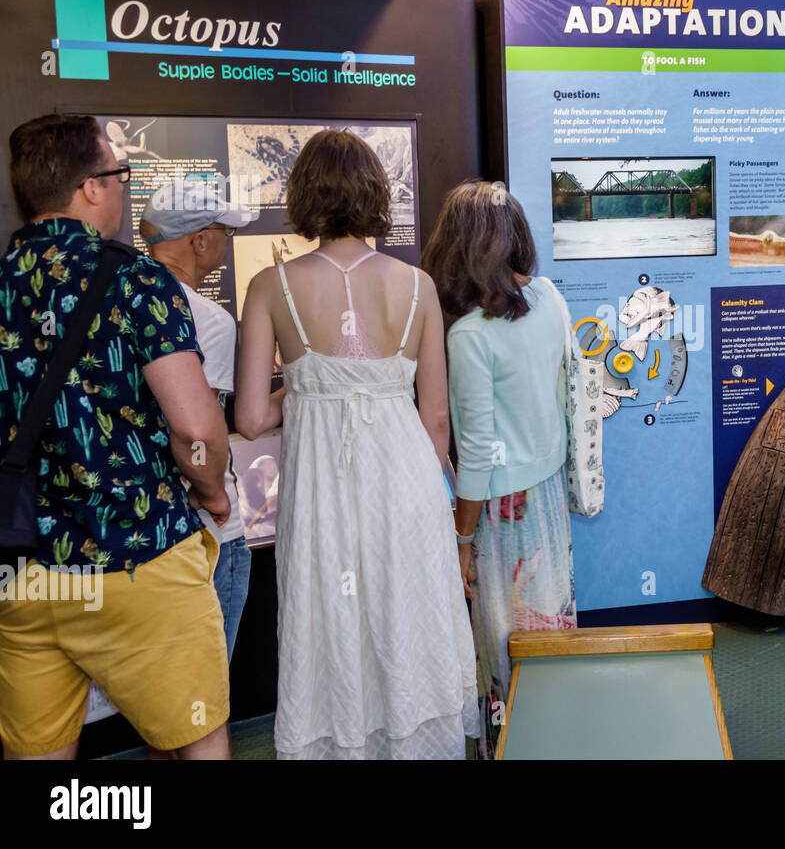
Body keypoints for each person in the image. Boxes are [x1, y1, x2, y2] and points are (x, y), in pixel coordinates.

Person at [235, 129, 476, 759]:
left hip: (322, 489)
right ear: (375, 192)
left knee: (328, 615)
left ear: (302, 194)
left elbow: (253, 417)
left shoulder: (270, 286)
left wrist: (312, 386)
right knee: (408, 610)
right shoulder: (417, 284)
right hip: (407, 482)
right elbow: (437, 421)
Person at [0, 114, 232, 760]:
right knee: (199, 745)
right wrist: (212, 491)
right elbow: (195, 428)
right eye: (120, 176)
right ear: (90, 188)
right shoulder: (137, 280)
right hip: (139, 551)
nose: (123, 191)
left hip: (24, 572)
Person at [422, 180, 576, 760]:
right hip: (549, 500)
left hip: (501, 518)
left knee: (502, 652)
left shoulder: (467, 336)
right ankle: (555, 741)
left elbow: (479, 453)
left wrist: (461, 539)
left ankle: (510, 750)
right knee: (550, 640)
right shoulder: (551, 298)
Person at [140, 181, 256, 660]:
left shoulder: (120, 302)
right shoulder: (207, 318)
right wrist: (214, 495)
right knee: (205, 698)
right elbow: (199, 430)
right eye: (224, 232)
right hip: (205, 531)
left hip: (142, 530)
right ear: (200, 239)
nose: (226, 244)